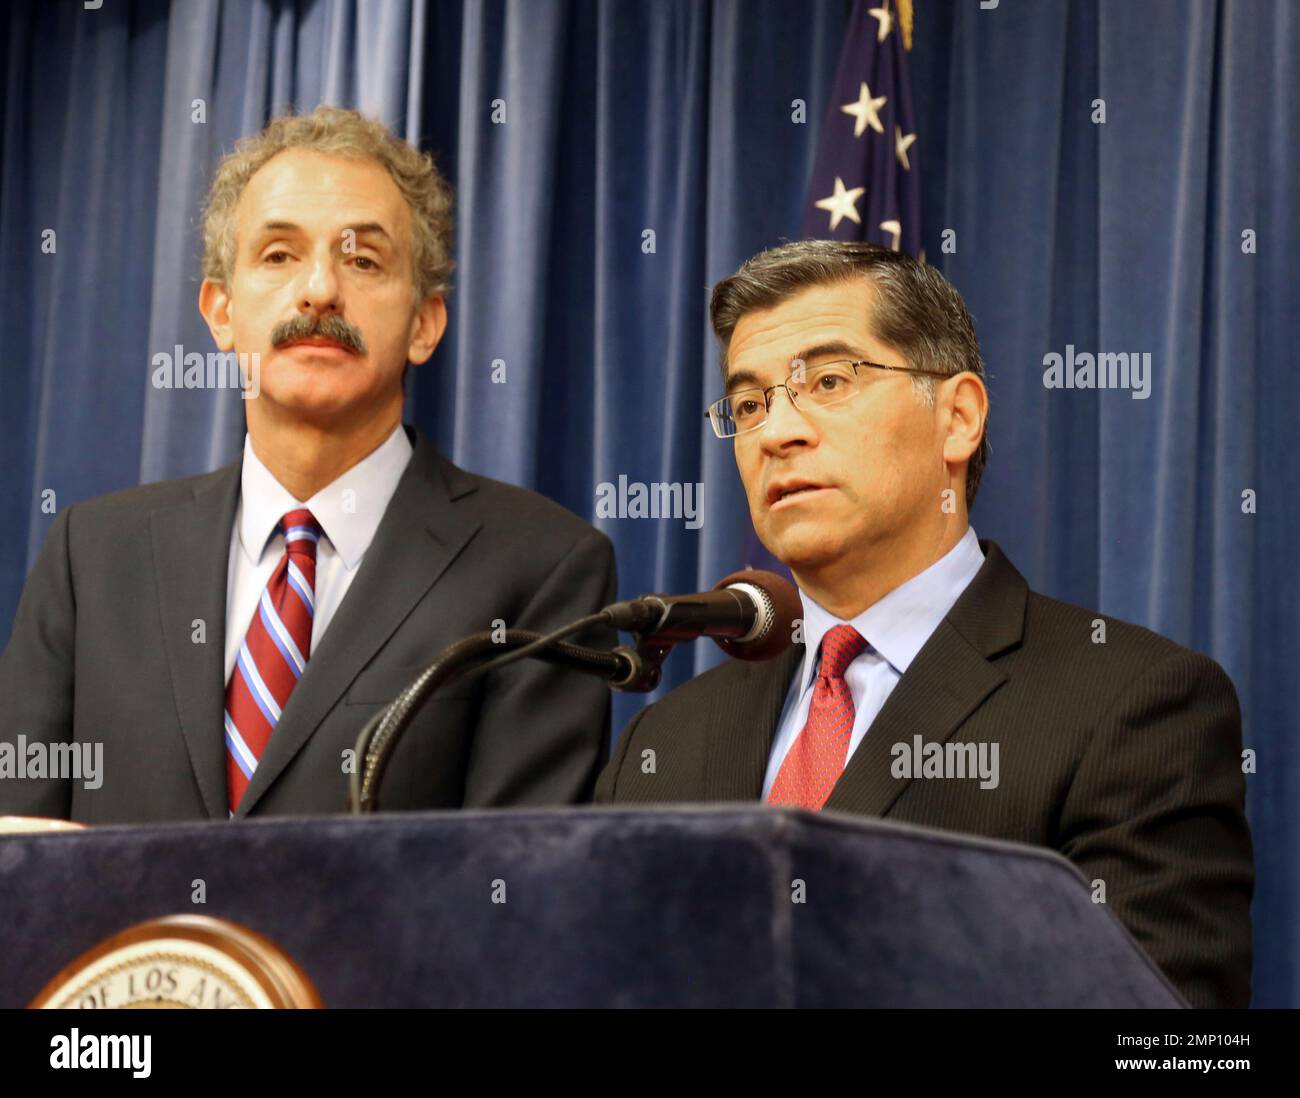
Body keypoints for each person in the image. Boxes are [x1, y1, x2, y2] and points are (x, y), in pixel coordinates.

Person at [596, 240, 1253, 1009]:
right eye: (748, 404)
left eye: (830, 381)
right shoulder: (664, 743)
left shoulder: (1132, 707)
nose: (776, 433)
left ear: (958, 417)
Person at [0, 106, 615, 823]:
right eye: (279, 255)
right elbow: (19, 867)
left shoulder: (543, 569)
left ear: (424, 323)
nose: (320, 290)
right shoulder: (92, 558)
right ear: (220, 312)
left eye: (362, 260)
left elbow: (513, 887)